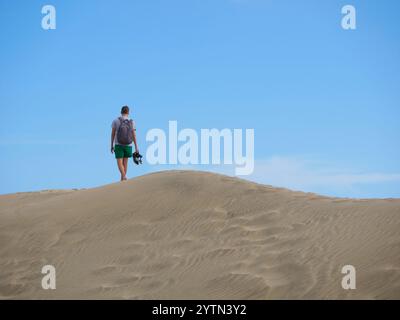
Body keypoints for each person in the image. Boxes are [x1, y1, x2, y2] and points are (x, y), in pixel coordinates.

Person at [111, 106, 139, 181]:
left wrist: (111, 145)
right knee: (125, 163)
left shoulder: (115, 121)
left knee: (119, 163)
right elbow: (134, 135)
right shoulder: (132, 122)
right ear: (128, 112)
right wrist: (136, 147)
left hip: (118, 144)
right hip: (128, 145)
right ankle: (123, 179)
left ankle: (123, 176)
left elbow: (113, 134)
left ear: (121, 112)